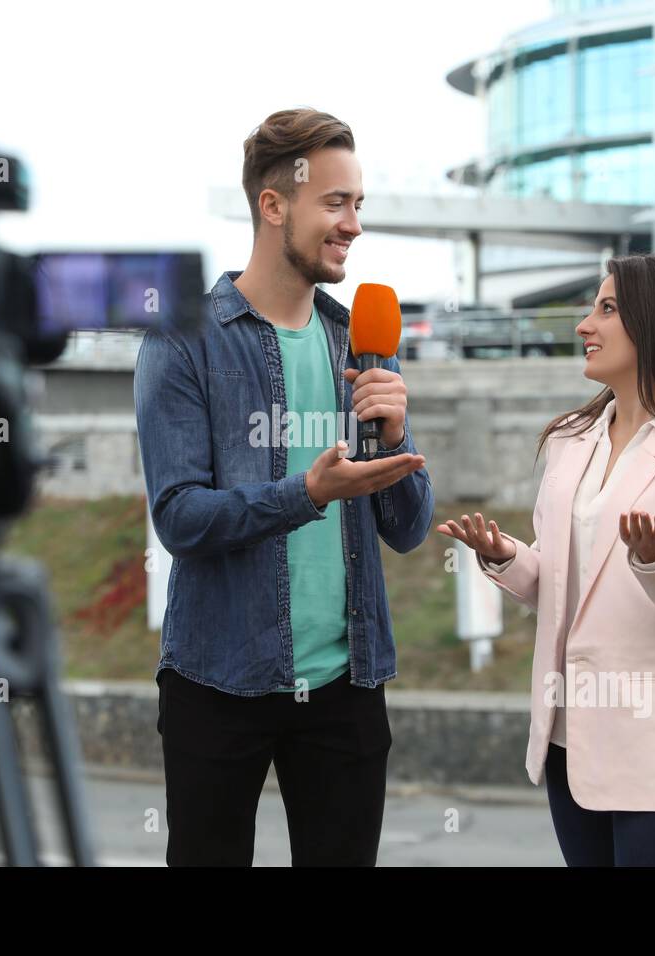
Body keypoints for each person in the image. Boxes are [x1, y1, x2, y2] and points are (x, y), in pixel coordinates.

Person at [134, 108, 434, 866]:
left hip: (346, 687)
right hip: (218, 684)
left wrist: (398, 441)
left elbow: (406, 529)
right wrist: (307, 493)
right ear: (274, 206)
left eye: (359, 204)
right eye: (336, 203)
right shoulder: (183, 339)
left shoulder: (360, 342)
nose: (354, 225)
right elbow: (179, 518)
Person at [439, 254, 655, 866]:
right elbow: (564, 594)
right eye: (592, 308)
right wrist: (506, 558)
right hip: (571, 740)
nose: (585, 324)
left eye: (606, 309)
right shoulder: (568, 442)